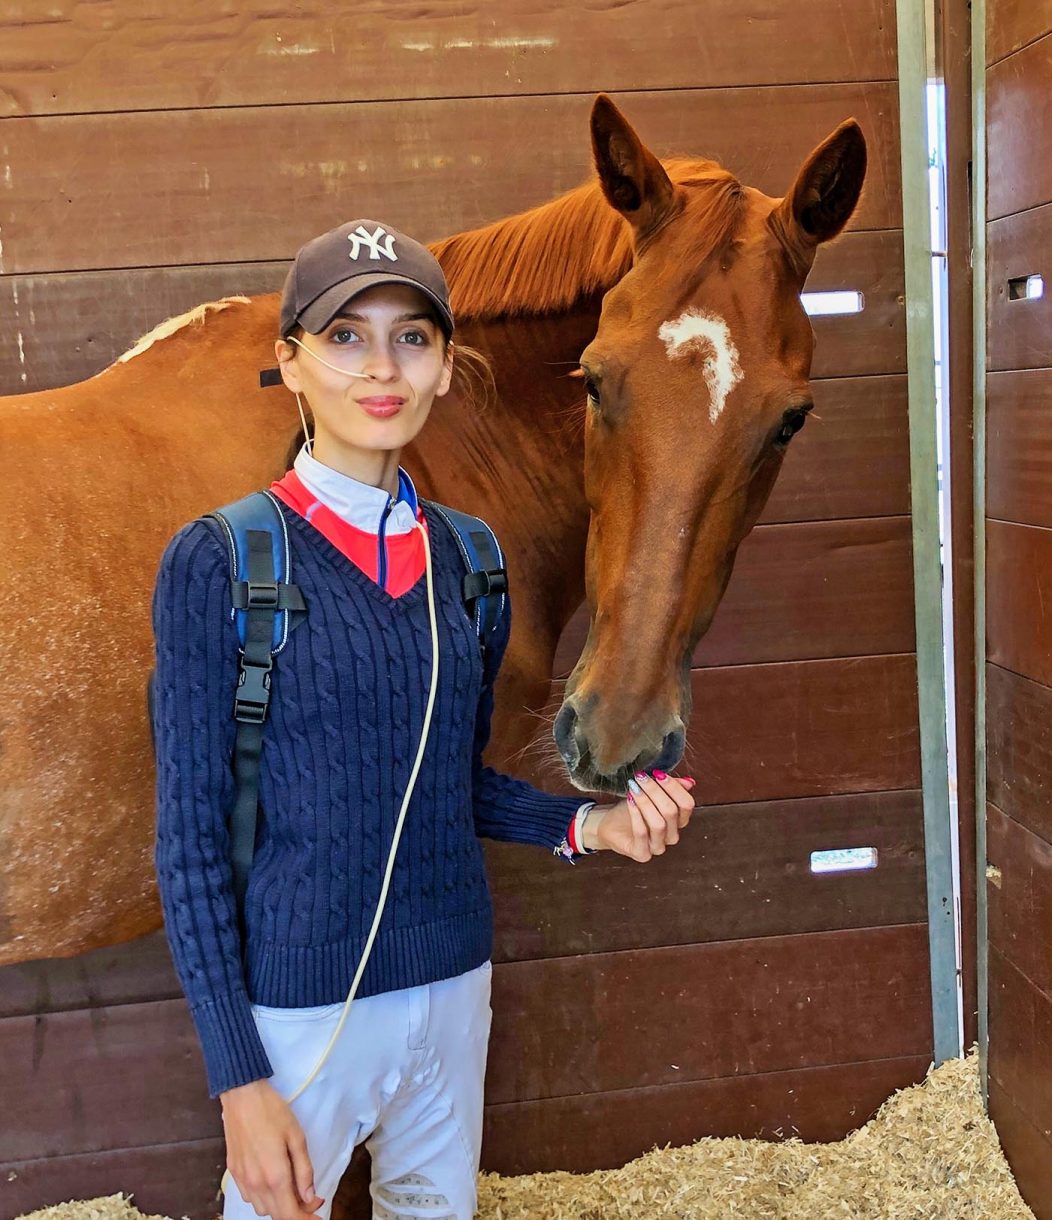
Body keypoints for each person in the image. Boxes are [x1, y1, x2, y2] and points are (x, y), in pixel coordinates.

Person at [150, 219, 696, 1220]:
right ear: (291, 363)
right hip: (302, 1011)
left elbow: (446, 781)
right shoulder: (221, 561)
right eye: (345, 336)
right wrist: (239, 1077)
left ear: (447, 368)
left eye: (411, 337)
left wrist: (588, 823)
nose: (381, 366)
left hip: (452, 986)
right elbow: (187, 843)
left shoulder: (470, 561)